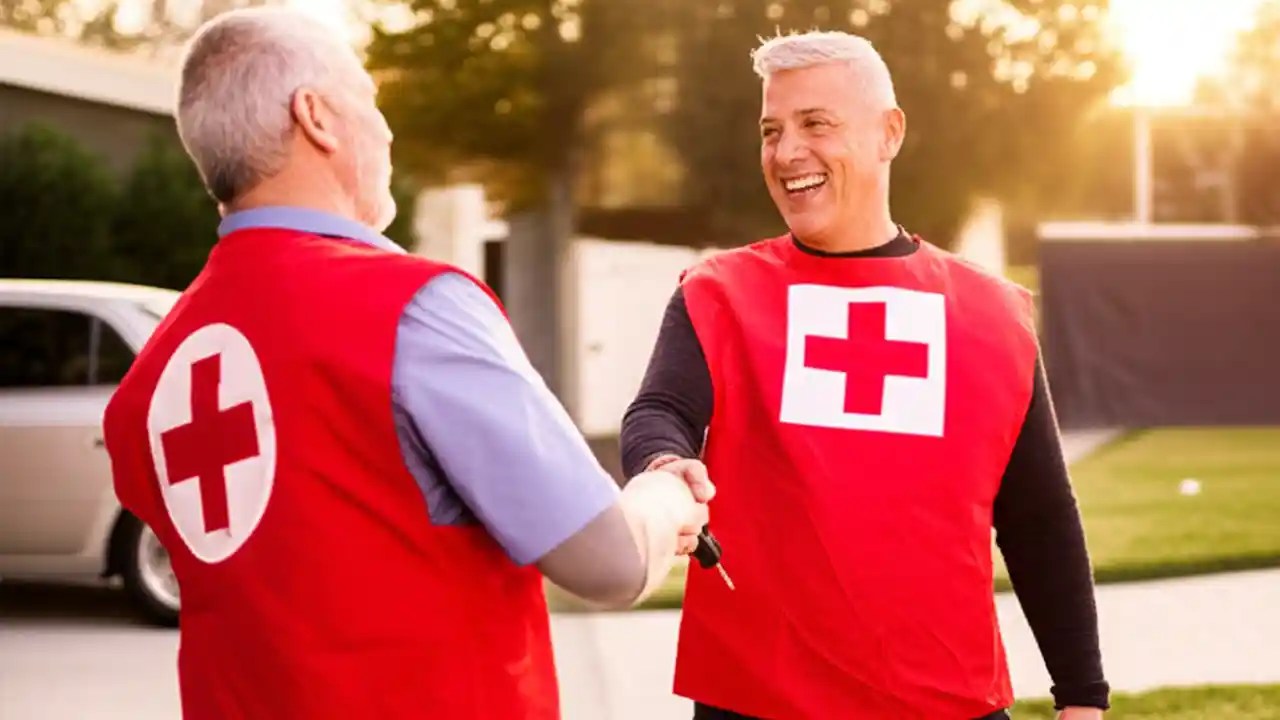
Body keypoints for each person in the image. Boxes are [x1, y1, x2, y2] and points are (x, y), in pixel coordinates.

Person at [102, 8, 711, 719]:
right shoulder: (416, 310)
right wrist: (668, 495)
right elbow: (609, 563)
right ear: (317, 116)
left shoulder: (151, 378)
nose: (386, 128)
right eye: (369, 98)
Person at [621, 30, 1109, 720]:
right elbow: (659, 410)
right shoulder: (720, 293)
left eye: (815, 124)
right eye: (771, 130)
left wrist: (1082, 696)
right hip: (756, 702)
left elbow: (1038, 516)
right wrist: (665, 464)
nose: (787, 152)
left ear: (889, 132)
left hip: (945, 702)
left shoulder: (993, 315)